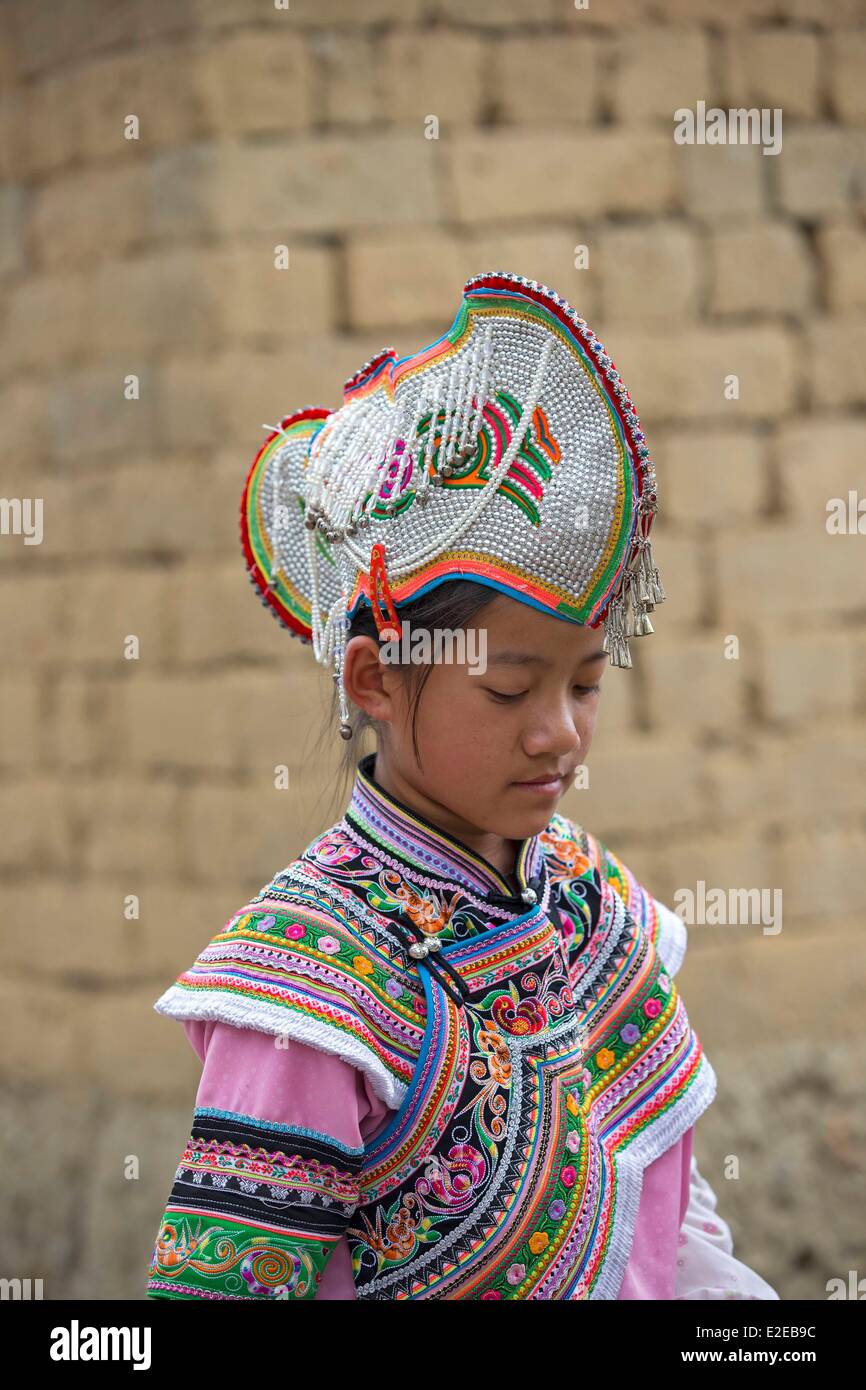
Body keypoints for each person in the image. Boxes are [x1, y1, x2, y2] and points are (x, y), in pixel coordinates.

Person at [145, 272, 778, 1300]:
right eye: (506, 689)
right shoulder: (308, 991)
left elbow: (676, 1229)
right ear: (374, 682)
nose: (559, 732)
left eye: (583, 681)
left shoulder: (590, 907)